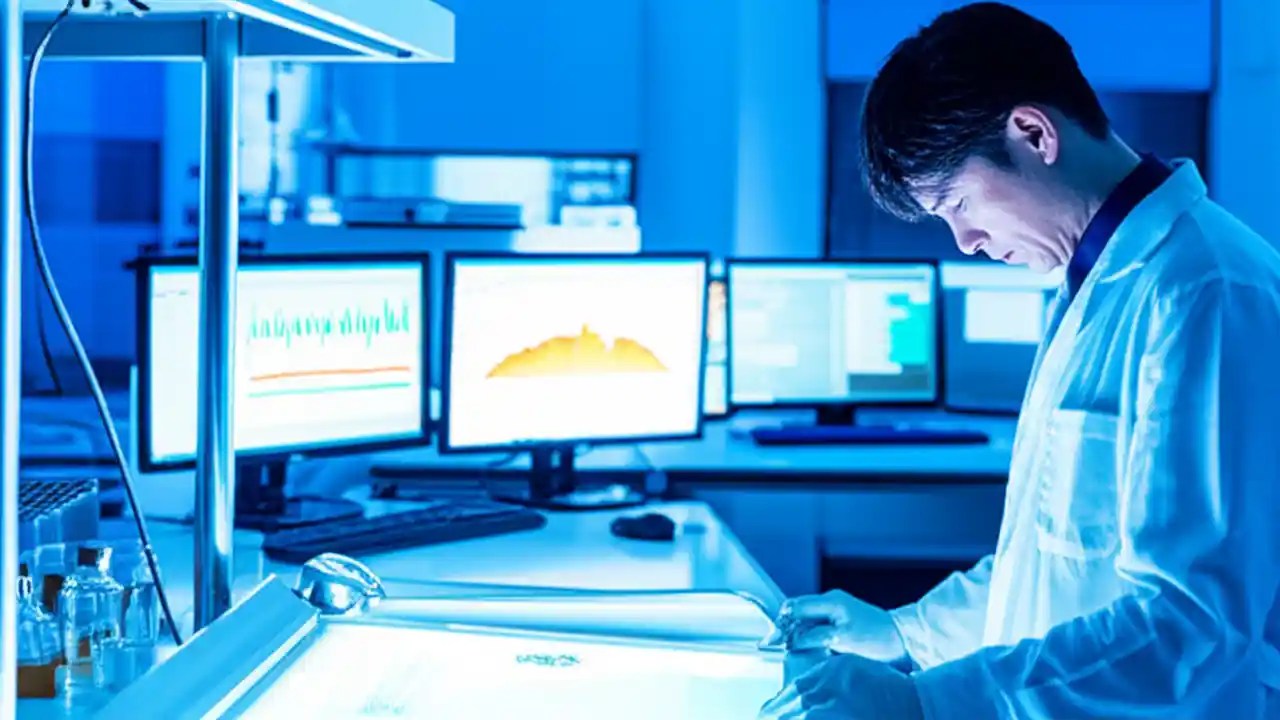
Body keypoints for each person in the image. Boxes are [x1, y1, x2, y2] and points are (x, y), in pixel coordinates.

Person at [760, 3, 1280, 719]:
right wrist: (901, 632)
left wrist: (927, 703)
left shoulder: (1208, 291)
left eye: (958, 202)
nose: (965, 241)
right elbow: (1051, 565)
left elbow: (1190, 625)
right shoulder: (1090, 287)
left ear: (1033, 134)